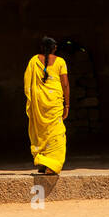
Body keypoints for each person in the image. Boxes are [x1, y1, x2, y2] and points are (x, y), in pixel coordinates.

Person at [23, 35, 69, 176]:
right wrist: (67, 105)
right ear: (55, 48)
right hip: (54, 102)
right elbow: (65, 84)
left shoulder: (33, 61)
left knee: (41, 132)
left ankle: (43, 162)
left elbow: (27, 82)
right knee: (56, 133)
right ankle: (52, 166)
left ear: (42, 48)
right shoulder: (60, 62)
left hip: (39, 102)